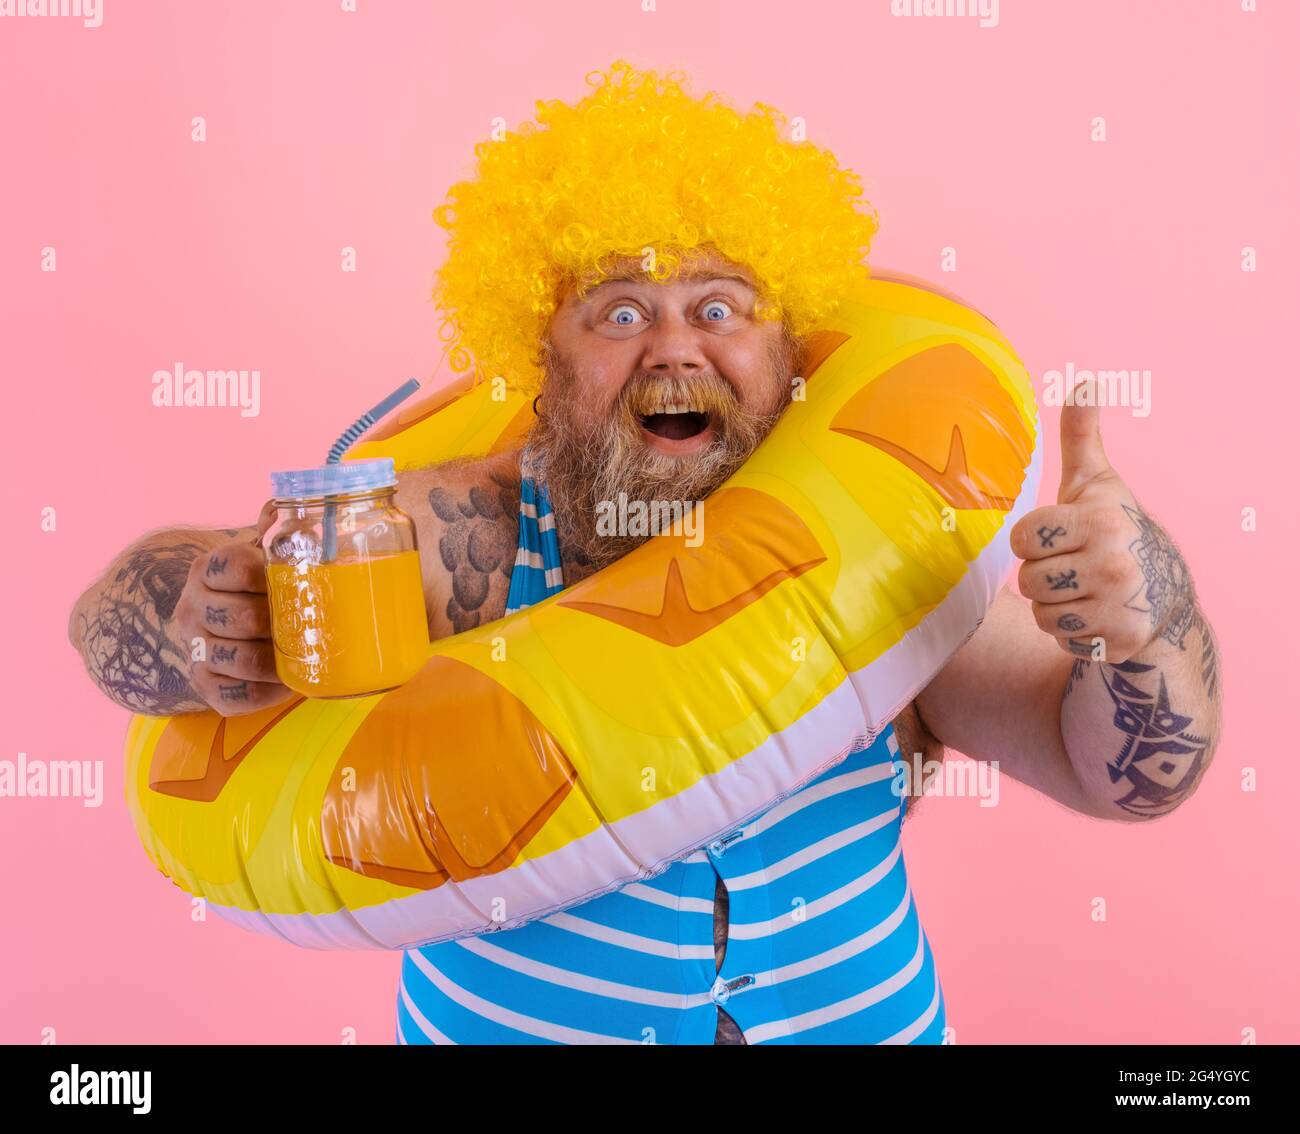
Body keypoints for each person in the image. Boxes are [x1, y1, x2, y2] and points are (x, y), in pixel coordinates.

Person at [68, 61, 1222, 1045]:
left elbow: (1118, 776)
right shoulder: (463, 542)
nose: (675, 345)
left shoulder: (889, 544)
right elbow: (160, 615)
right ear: (540, 356)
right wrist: (175, 603)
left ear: (788, 353)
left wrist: (1145, 621)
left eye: (722, 307)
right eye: (619, 311)